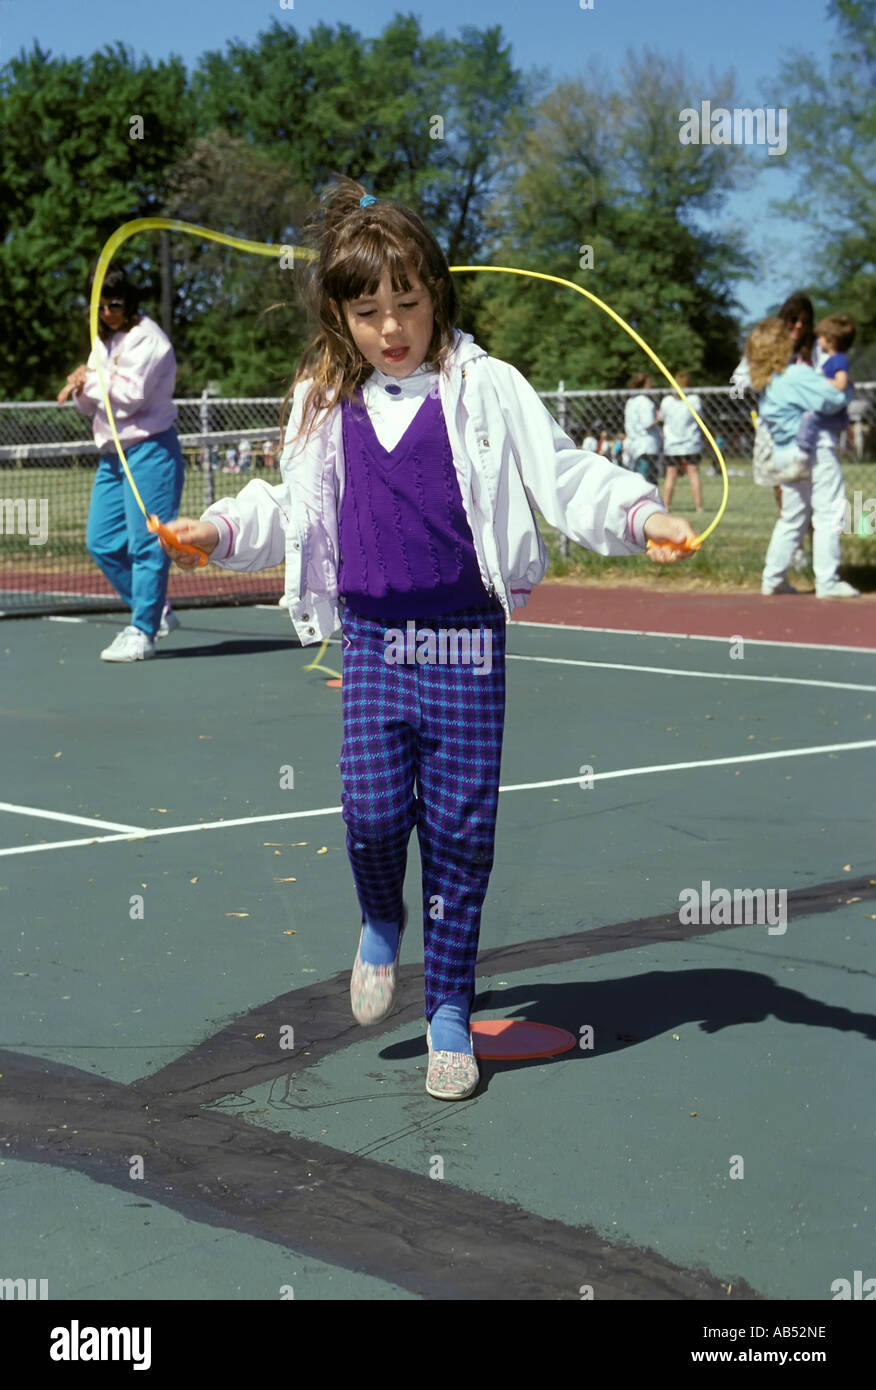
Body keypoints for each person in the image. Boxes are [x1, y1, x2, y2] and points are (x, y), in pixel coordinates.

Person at [158, 177, 696, 1101]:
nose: (392, 326)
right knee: (371, 815)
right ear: (340, 316)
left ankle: (449, 1010)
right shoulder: (324, 400)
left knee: (459, 839)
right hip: (371, 642)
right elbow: (290, 505)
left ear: (437, 292)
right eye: (368, 310)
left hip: (466, 647)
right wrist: (219, 530)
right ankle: (378, 919)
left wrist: (641, 512)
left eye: (407, 302)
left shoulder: (487, 387)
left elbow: (562, 475)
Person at [59, 268, 184, 659]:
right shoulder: (104, 342)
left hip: (150, 450)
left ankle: (142, 630)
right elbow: (92, 403)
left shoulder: (150, 340)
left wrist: (90, 381)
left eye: (115, 304)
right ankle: (155, 607)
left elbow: (129, 397)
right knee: (101, 542)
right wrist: (81, 386)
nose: (108, 312)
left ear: (129, 304)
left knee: (147, 543)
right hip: (114, 456)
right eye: (100, 305)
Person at [747, 317, 855, 598]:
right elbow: (833, 399)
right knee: (829, 511)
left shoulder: (768, 384)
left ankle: (773, 578)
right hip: (814, 450)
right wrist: (847, 389)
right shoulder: (794, 375)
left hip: (784, 456)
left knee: (792, 517)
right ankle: (827, 582)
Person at [796, 313, 855, 455]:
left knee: (808, 418)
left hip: (835, 416)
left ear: (831, 341)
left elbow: (841, 384)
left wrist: (819, 380)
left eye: (821, 337)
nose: (818, 341)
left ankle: (804, 446)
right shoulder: (831, 360)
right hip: (832, 414)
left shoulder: (838, 360)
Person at [660, 371, 704, 513]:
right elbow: (699, 417)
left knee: (671, 475)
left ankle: (665, 506)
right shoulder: (693, 400)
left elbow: (663, 418)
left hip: (673, 444)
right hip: (690, 443)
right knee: (693, 473)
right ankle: (699, 507)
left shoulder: (666, 402)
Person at [623, 374, 661, 485]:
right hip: (646, 445)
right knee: (646, 479)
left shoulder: (630, 401)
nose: (651, 386)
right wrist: (659, 418)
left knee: (637, 475)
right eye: (649, 383)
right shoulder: (645, 402)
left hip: (634, 442)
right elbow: (647, 423)